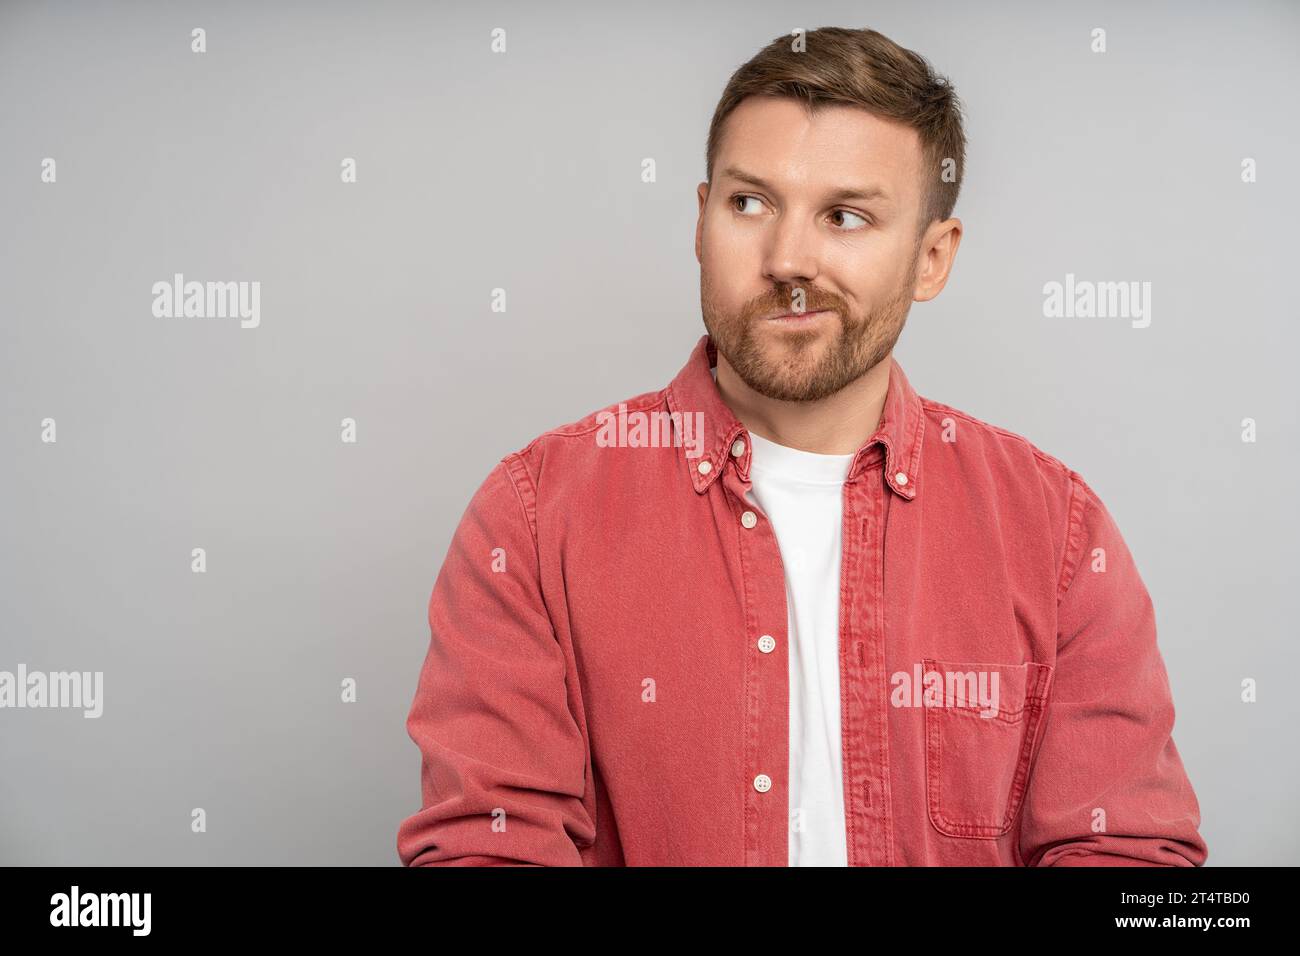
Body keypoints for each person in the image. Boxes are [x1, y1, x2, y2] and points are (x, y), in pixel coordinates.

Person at [396, 25, 1207, 866]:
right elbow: (487, 849)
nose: (789, 260)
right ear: (700, 219)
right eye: (749, 204)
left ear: (932, 259)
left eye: (846, 217)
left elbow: (1131, 860)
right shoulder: (531, 520)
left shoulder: (1057, 536)